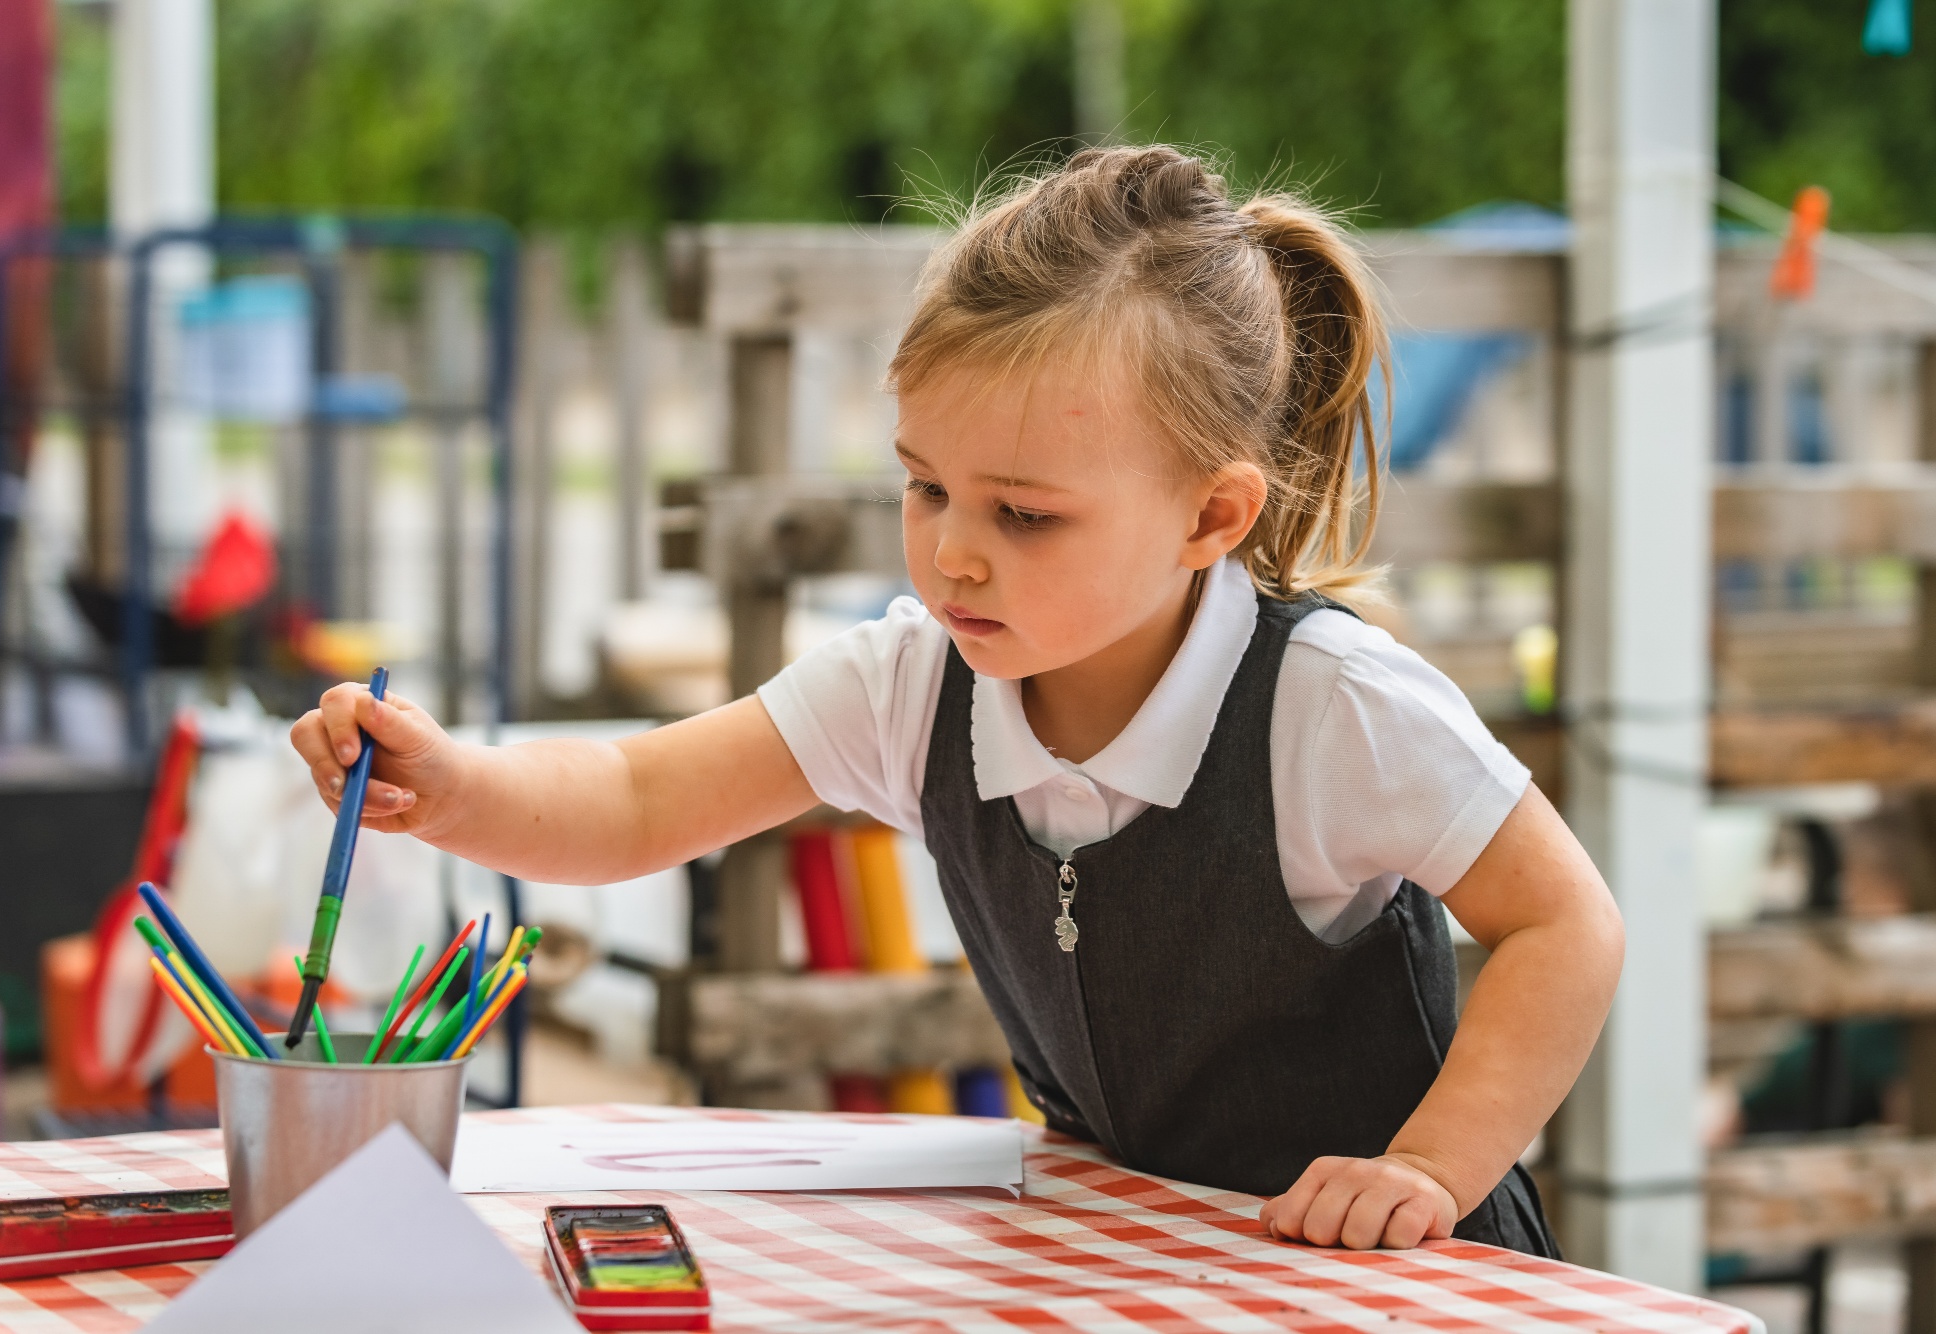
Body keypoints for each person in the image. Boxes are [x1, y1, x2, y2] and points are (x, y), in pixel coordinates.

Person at [291, 146, 1622, 1255]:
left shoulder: (1331, 707)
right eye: (926, 488)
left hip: (1400, 1281)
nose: (954, 552)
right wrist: (453, 783)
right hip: (1151, 1259)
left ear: (1211, 516)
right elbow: (642, 797)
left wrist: (1432, 1166)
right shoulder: (917, 675)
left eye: (1024, 515)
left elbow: (1567, 920)